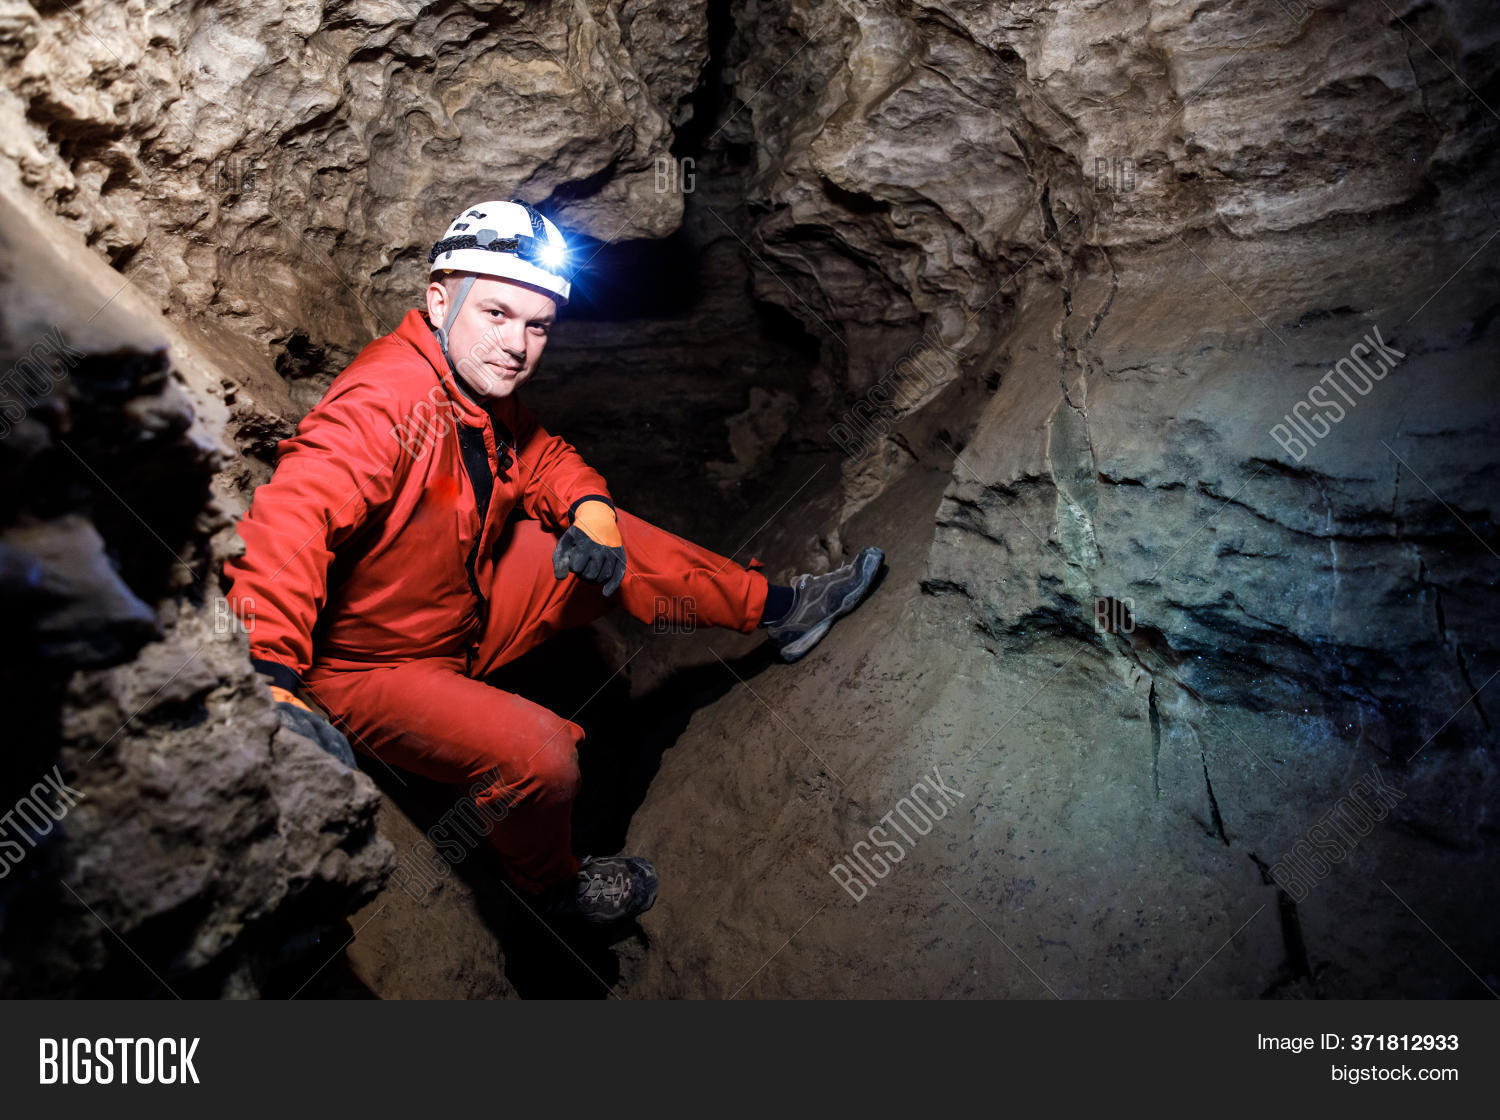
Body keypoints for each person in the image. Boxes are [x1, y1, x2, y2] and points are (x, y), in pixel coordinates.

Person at [224, 199, 883, 924]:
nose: (517, 345)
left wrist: (589, 510)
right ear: (439, 299)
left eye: (538, 326)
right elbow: (292, 518)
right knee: (540, 754)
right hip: (375, 670)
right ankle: (550, 889)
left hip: (462, 609)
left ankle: (782, 612)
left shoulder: (474, 384)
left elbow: (543, 458)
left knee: (609, 542)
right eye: (497, 314)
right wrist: (270, 675)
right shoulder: (383, 402)